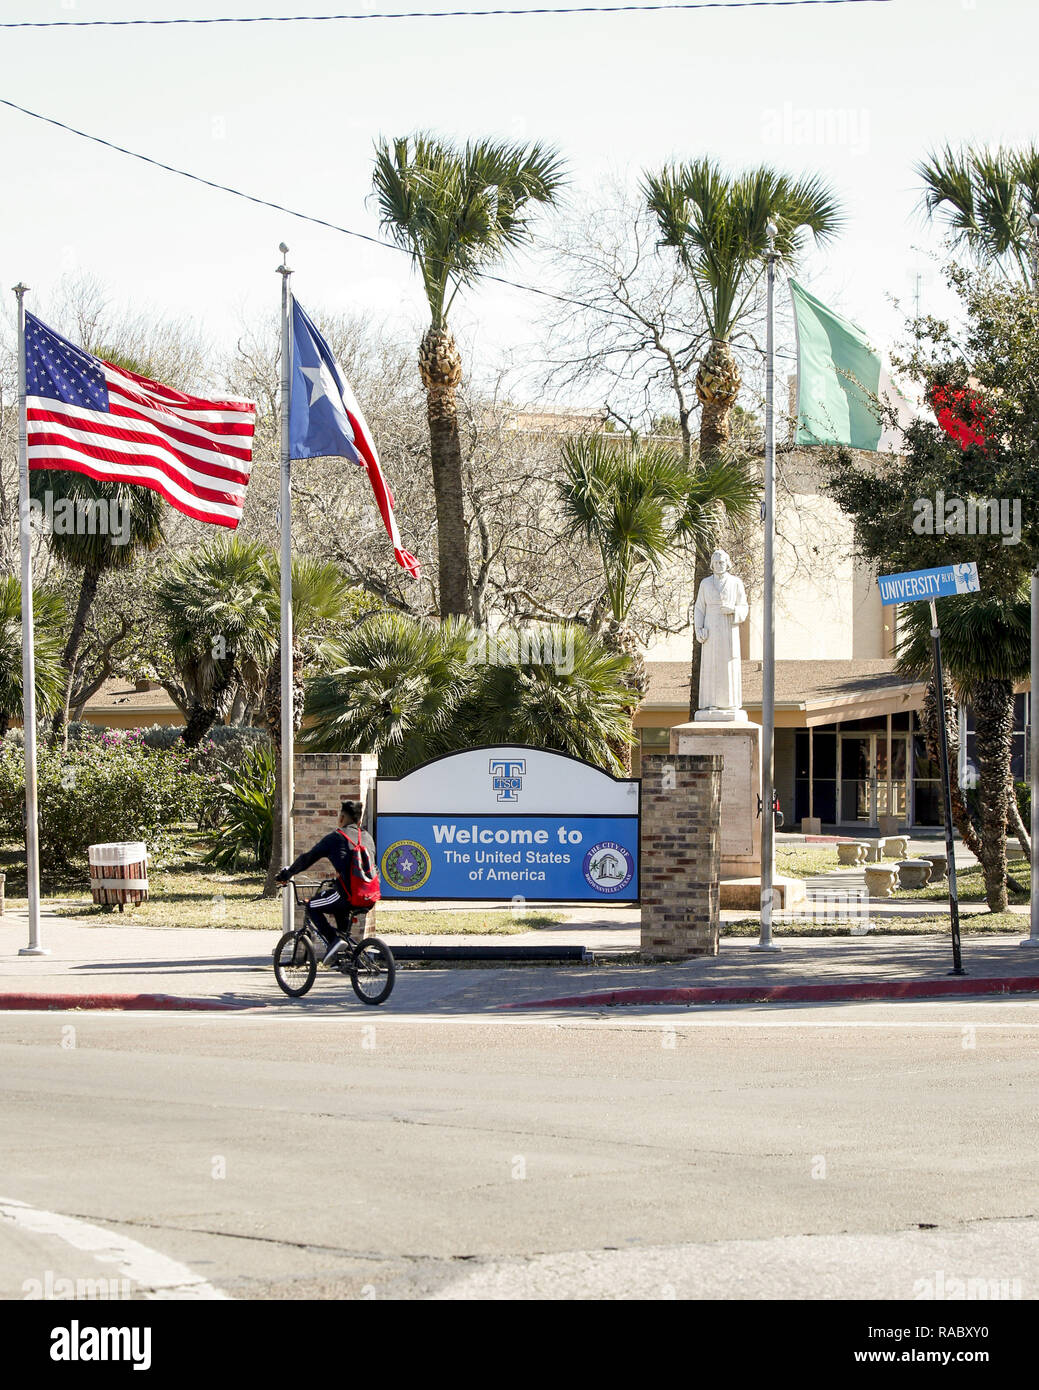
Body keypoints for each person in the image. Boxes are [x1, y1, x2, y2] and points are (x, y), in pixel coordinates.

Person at [276, 801, 376, 957]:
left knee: (312, 906)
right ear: (360, 821)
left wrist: (287, 874)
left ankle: (334, 942)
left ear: (341, 817)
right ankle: (344, 956)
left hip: (347, 894)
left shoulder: (336, 838)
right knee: (339, 907)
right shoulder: (367, 837)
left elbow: (308, 858)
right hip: (369, 896)